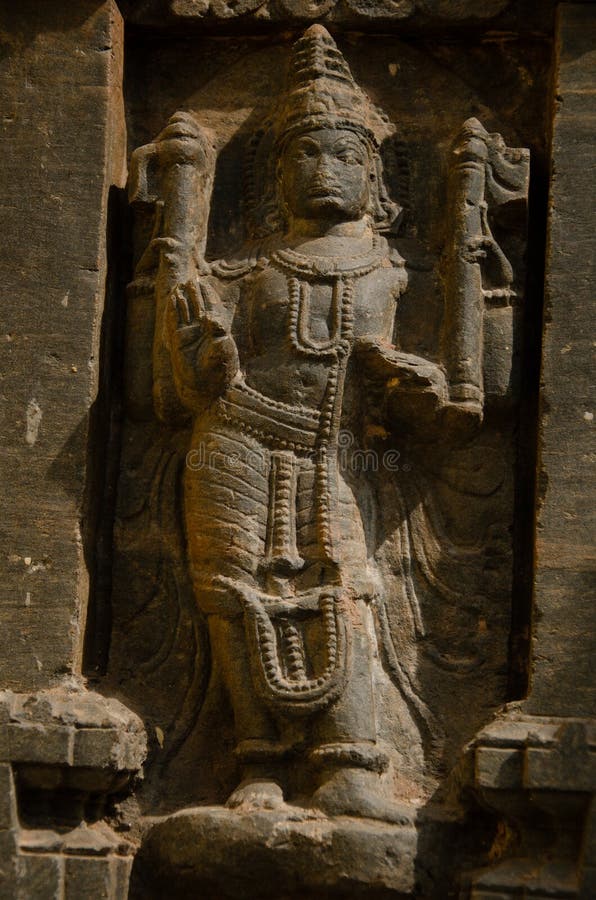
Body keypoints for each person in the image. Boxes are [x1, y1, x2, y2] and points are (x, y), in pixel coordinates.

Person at [162, 24, 446, 820]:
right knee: (233, 592)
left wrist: (417, 381)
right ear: (275, 176)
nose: (325, 169)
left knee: (345, 585)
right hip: (235, 443)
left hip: (339, 455)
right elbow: (174, 394)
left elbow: (468, 395)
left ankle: (350, 764)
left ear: (374, 176)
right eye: (305, 155)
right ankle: (257, 764)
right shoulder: (244, 273)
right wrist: (202, 355)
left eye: (345, 155)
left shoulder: (397, 271)